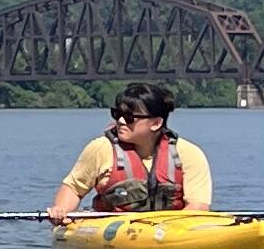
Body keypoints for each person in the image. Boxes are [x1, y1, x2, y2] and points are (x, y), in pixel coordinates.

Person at [50, 84, 214, 220]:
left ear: (156, 123)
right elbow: (73, 188)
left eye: (129, 117)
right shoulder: (101, 148)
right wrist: (61, 210)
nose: (121, 121)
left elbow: (198, 206)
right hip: (112, 233)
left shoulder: (189, 154)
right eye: (117, 114)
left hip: (170, 231)